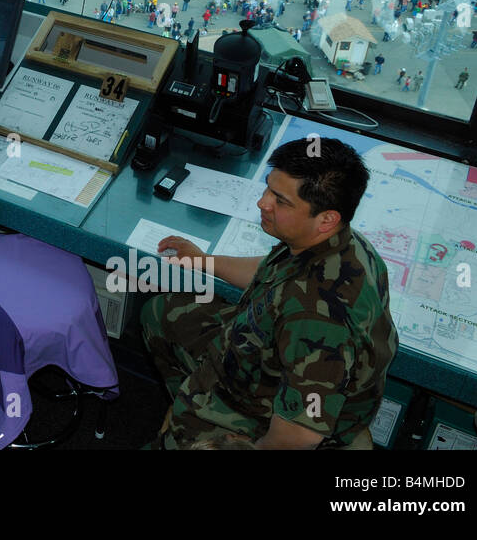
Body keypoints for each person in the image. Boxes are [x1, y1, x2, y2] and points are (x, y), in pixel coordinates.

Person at [142, 137, 397, 448]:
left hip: (265, 414)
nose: (263, 202)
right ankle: (190, 401)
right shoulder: (333, 242)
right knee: (161, 313)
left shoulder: (319, 319)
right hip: (262, 355)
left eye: (281, 200)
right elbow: (274, 270)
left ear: (326, 219)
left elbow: (298, 435)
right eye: (268, 189)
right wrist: (204, 262)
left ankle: (191, 424)